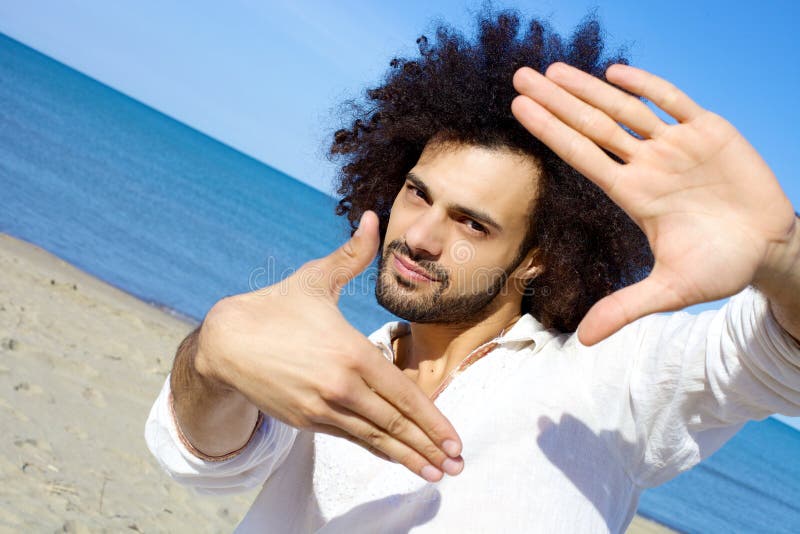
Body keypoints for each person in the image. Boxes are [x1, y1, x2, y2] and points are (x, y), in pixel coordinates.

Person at [145, 10, 800, 533]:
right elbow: (202, 461)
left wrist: (781, 259)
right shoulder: (333, 362)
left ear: (540, 254)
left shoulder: (601, 381)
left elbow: (767, 359)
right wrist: (211, 353)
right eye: (417, 193)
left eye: (472, 223)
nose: (421, 237)